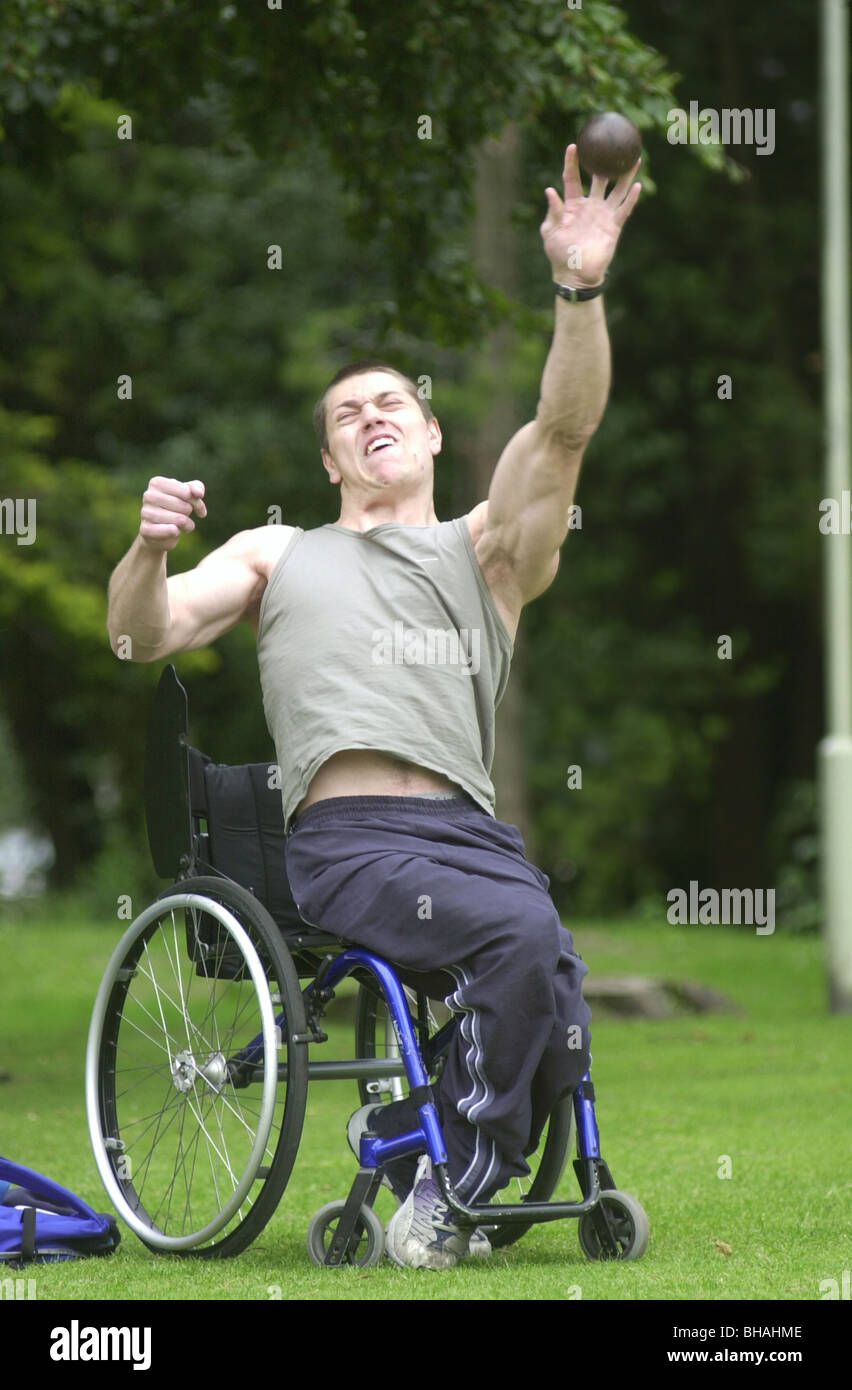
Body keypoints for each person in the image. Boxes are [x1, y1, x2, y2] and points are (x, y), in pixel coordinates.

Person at [106, 144, 641, 1269]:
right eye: (349, 412)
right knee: (524, 935)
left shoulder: (487, 551)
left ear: (436, 433)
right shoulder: (275, 551)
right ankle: (448, 1183)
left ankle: (412, 1138)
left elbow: (564, 431)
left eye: (393, 400)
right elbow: (139, 634)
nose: (372, 415)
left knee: (551, 980)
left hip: (470, 836)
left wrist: (578, 291)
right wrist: (148, 550)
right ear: (330, 455)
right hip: (349, 844)